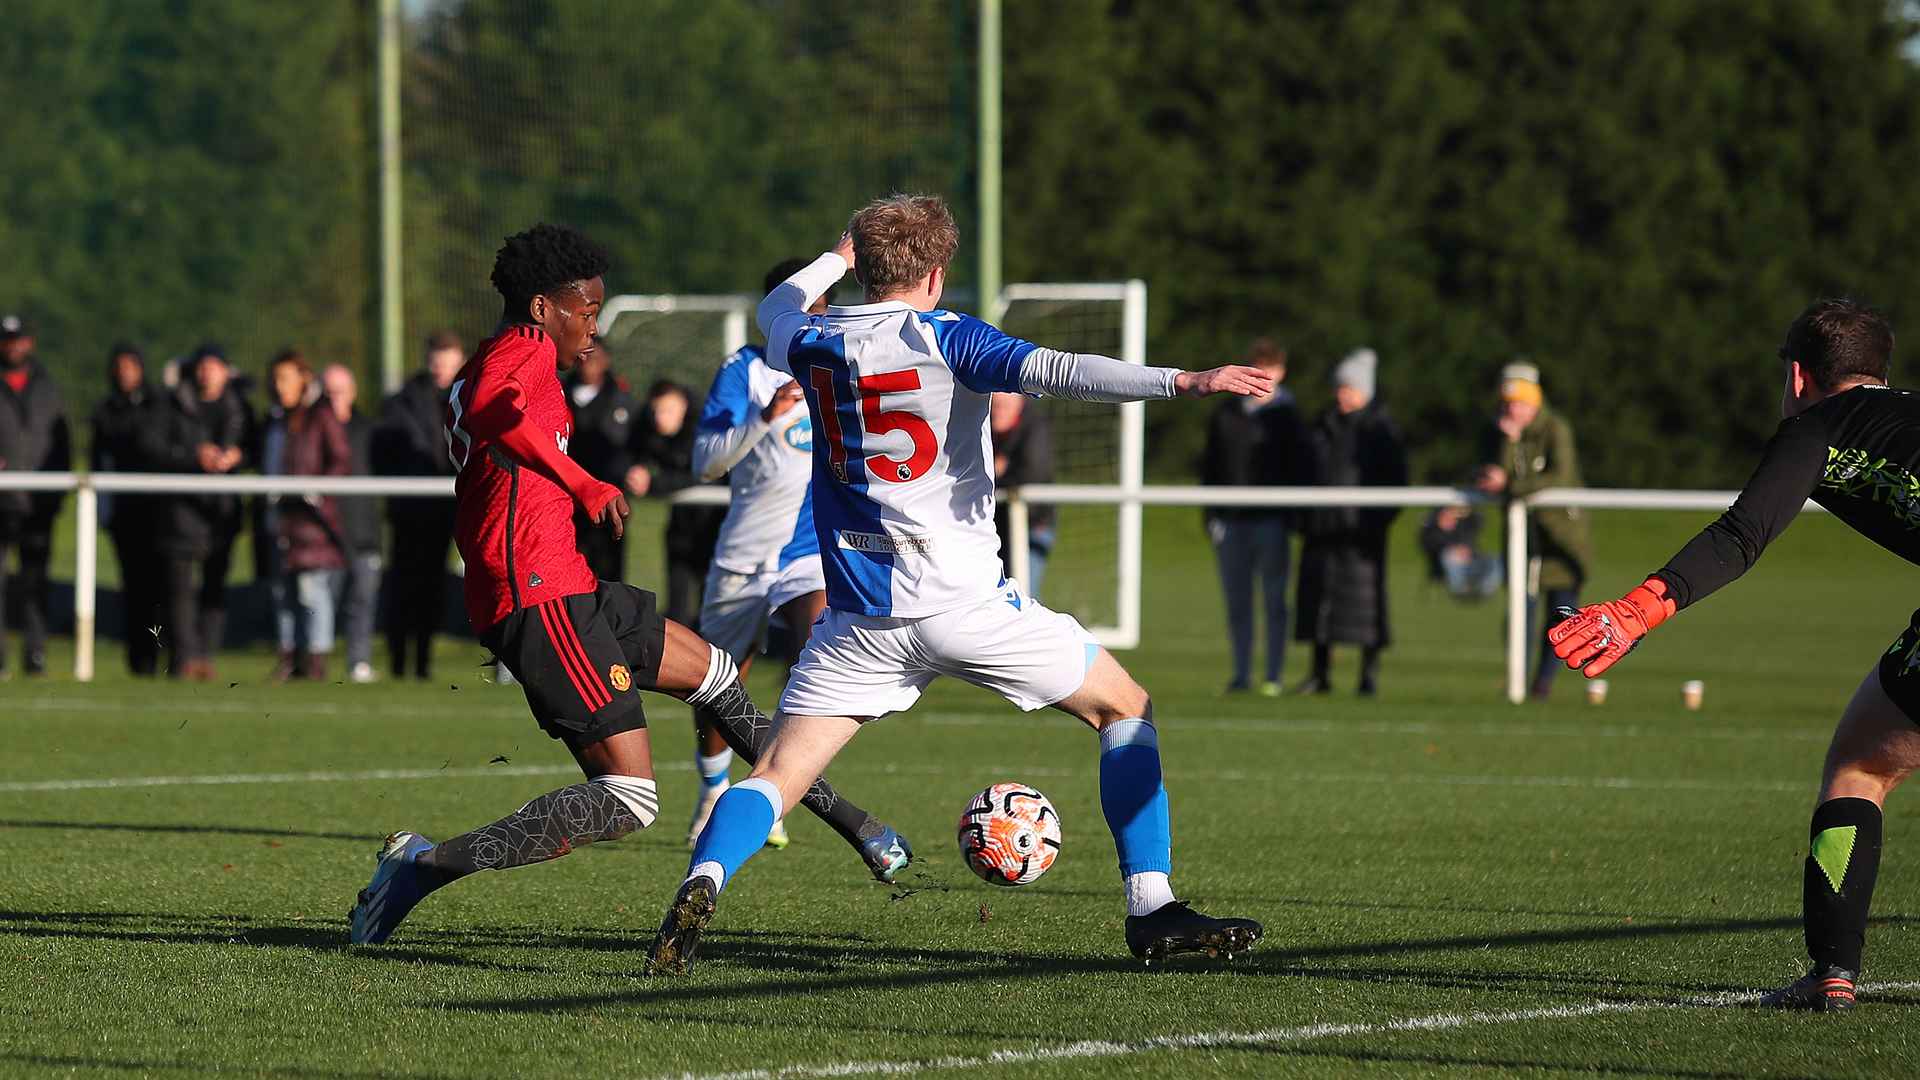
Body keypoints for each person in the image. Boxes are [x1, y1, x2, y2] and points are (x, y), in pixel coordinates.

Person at [649, 194, 1267, 975]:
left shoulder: (806, 338)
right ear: (938, 273)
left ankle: (702, 879)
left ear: (863, 268)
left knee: (774, 774)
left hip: (859, 619)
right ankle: (1152, 907)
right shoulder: (948, 338)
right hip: (966, 604)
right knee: (1125, 709)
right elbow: (1066, 372)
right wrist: (1186, 380)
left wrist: (834, 260)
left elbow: (779, 301)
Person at [348, 224, 910, 946]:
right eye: (584, 313)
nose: (593, 328)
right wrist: (582, 482)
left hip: (571, 586)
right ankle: (420, 868)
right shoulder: (514, 354)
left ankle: (857, 824)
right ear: (541, 307)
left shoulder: (523, 356)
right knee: (629, 799)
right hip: (534, 595)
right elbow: (494, 411)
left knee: (716, 679)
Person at [1550, 298, 1920, 1013]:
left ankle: (1832, 972)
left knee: (1862, 767)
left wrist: (1635, 611)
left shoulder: (1819, 426)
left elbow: (1741, 534)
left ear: (1797, 375)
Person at [682, 259, 839, 848]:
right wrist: (763, 418)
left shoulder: (839, 367)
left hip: (809, 552)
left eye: (822, 306)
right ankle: (713, 787)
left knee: (810, 660)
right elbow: (706, 462)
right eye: (805, 305)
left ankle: (771, 790)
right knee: (718, 681)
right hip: (745, 553)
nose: (815, 317)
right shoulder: (745, 371)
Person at [1293, 348, 1409, 696]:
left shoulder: (1381, 429)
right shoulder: (1321, 424)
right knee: (1319, 604)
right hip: (1321, 528)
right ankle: (1319, 674)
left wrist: (1375, 520)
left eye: (1350, 387)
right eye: (1340, 387)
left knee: (1367, 606)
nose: (1343, 393)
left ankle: (1368, 677)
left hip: (1361, 534)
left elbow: (1396, 480)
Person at [1477, 362, 1592, 700]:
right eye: (1508, 401)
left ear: (1535, 401)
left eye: (1521, 402)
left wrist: (1512, 484)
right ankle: (1516, 681)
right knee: (1518, 616)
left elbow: (1560, 476)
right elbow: (1490, 472)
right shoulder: (1496, 431)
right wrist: (1507, 446)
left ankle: (1542, 685)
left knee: (1561, 619)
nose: (1513, 409)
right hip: (1522, 542)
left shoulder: (1556, 429)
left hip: (1563, 540)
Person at [140, 345, 253, 681]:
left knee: (215, 587)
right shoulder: (172, 404)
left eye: (215, 366)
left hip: (221, 510)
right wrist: (193, 456)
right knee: (179, 588)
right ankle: (184, 658)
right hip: (181, 511)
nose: (207, 373)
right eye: (202, 367)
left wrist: (237, 457)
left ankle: (206, 656)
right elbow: (152, 446)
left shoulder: (239, 408)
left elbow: (255, 446)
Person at [1199, 338, 1304, 695]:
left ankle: (1273, 675)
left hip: (1272, 521)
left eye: (1271, 370)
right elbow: (1211, 466)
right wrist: (1211, 515)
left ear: (1282, 372)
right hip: (1230, 521)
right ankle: (1241, 674)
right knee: (1237, 603)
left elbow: (1299, 469)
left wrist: (1292, 517)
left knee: (1275, 601)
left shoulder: (1289, 416)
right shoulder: (1226, 413)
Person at [373, 331, 463, 680]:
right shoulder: (404, 402)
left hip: (447, 511)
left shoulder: (467, 398)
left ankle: (422, 663)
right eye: (437, 359)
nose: (441, 367)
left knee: (433, 589)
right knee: (403, 587)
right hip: (408, 513)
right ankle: (399, 663)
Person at [260, 350, 350, 682]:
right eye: (275, 378)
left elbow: (340, 459)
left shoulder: (320, 416)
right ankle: (288, 657)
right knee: (283, 592)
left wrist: (317, 492)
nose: (278, 385)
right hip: (281, 517)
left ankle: (315, 660)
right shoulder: (274, 420)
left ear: (303, 379)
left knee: (312, 590)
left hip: (312, 521)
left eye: (285, 377)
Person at [0, 314, 72, 677]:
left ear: (30, 343)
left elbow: (62, 443)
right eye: (8, 339)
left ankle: (36, 654)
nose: (14, 345)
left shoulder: (47, 387)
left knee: (35, 581)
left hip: (38, 502)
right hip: (1, 501)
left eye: (19, 339)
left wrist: (57, 493)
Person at [90, 343, 164, 676]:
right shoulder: (106, 410)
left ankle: (166, 655)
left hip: (158, 514)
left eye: (131, 367)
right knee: (133, 590)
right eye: (119, 367)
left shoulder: (158, 405)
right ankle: (140, 660)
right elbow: (99, 461)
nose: (125, 374)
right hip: (124, 514)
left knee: (162, 588)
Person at [629, 379, 721, 628]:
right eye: (656, 410)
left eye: (668, 410)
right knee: (678, 598)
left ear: (684, 406)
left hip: (713, 525)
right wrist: (633, 472)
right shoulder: (646, 430)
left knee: (709, 600)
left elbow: (700, 471)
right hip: (681, 529)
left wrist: (655, 483)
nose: (661, 418)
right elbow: (629, 454)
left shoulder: (704, 431)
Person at [323, 364, 382, 684]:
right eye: (328, 392)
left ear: (354, 392)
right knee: (322, 603)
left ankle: (358, 661)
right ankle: (317, 663)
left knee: (362, 601)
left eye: (340, 391)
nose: (334, 399)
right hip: (324, 534)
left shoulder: (369, 430)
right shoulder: (312, 430)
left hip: (363, 532)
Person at [563, 337, 639, 582]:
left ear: (606, 361)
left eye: (594, 358)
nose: (587, 364)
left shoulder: (623, 399)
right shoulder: (558, 394)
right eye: (583, 357)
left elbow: (637, 444)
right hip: (568, 499)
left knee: (609, 573)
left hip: (611, 501)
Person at [990, 392, 1055, 599]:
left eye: (1004, 401)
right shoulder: (980, 425)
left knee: (1024, 595)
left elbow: (1032, 475)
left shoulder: (1035, 426)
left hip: (1031, 526)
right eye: (995, 401)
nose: (998, 405)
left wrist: (997, 474)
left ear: (1020, 399)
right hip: (993, 530)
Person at [1418, 501, 1501, 601]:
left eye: (1451, 513)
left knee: (1495, 559)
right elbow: (1430, 545)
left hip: (1472, 562)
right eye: (1444, 514)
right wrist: (1454, 550)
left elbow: (1478, 520)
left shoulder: (1464, 525)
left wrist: (1466, 512)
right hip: (1448, 569)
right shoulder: (1431, 531)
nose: (1449, 517)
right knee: (1449, 555)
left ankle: (1485, 589)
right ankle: (1458, 589)